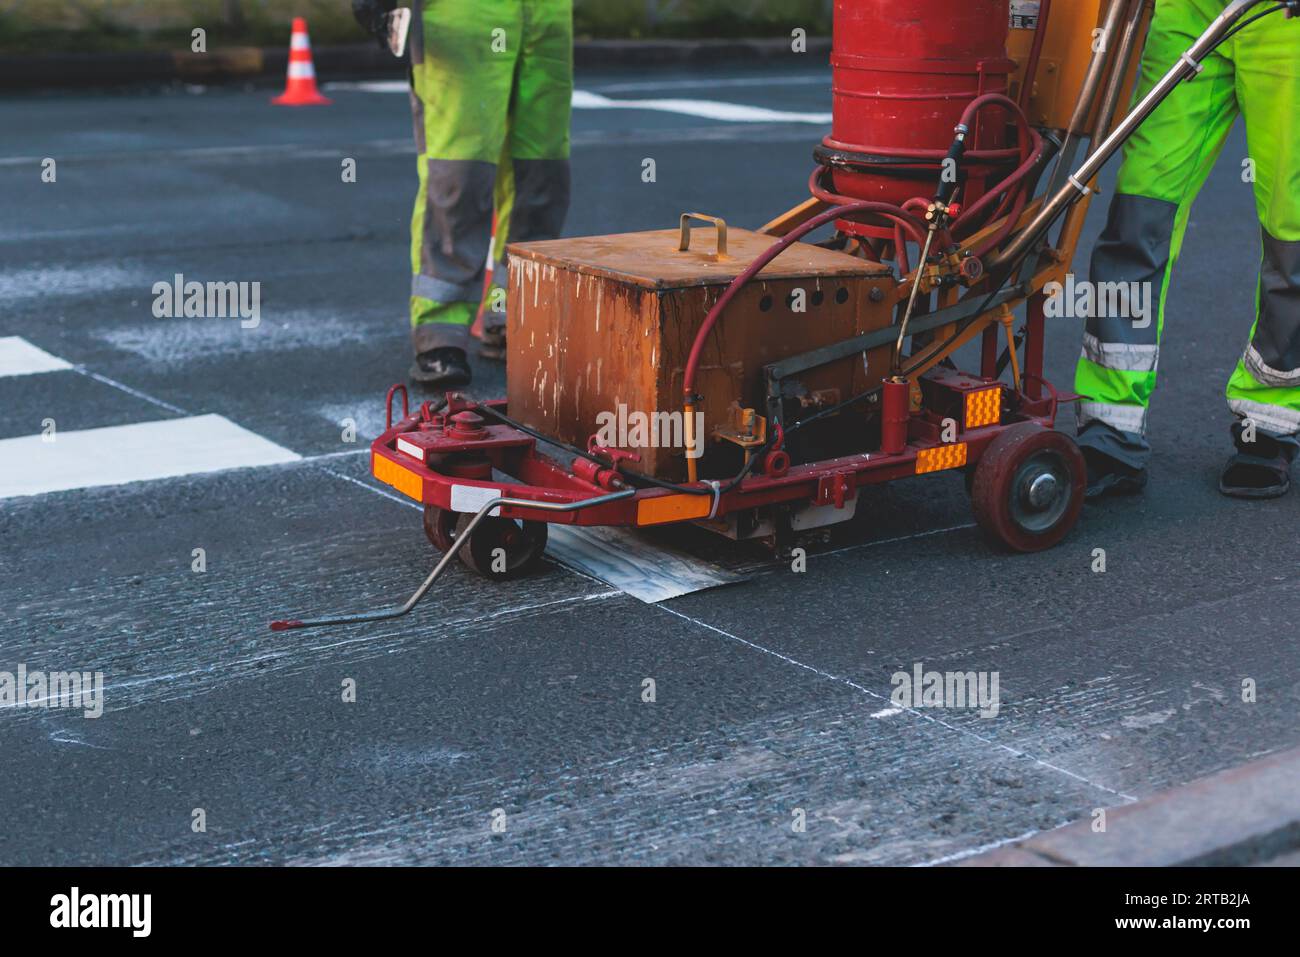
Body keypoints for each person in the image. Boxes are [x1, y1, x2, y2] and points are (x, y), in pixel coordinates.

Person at [1074, 0, 1300, 498]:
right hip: (1188, 11)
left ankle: (1268, 423)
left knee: (1293, 235)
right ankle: (1111, 424)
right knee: (1138, 215)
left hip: (1287, 24)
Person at [352, 0, 574, 388]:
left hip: (546, 14)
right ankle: (440, 333)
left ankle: (514, 316)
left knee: (542, 176)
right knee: (459, 176)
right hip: (460, 14)